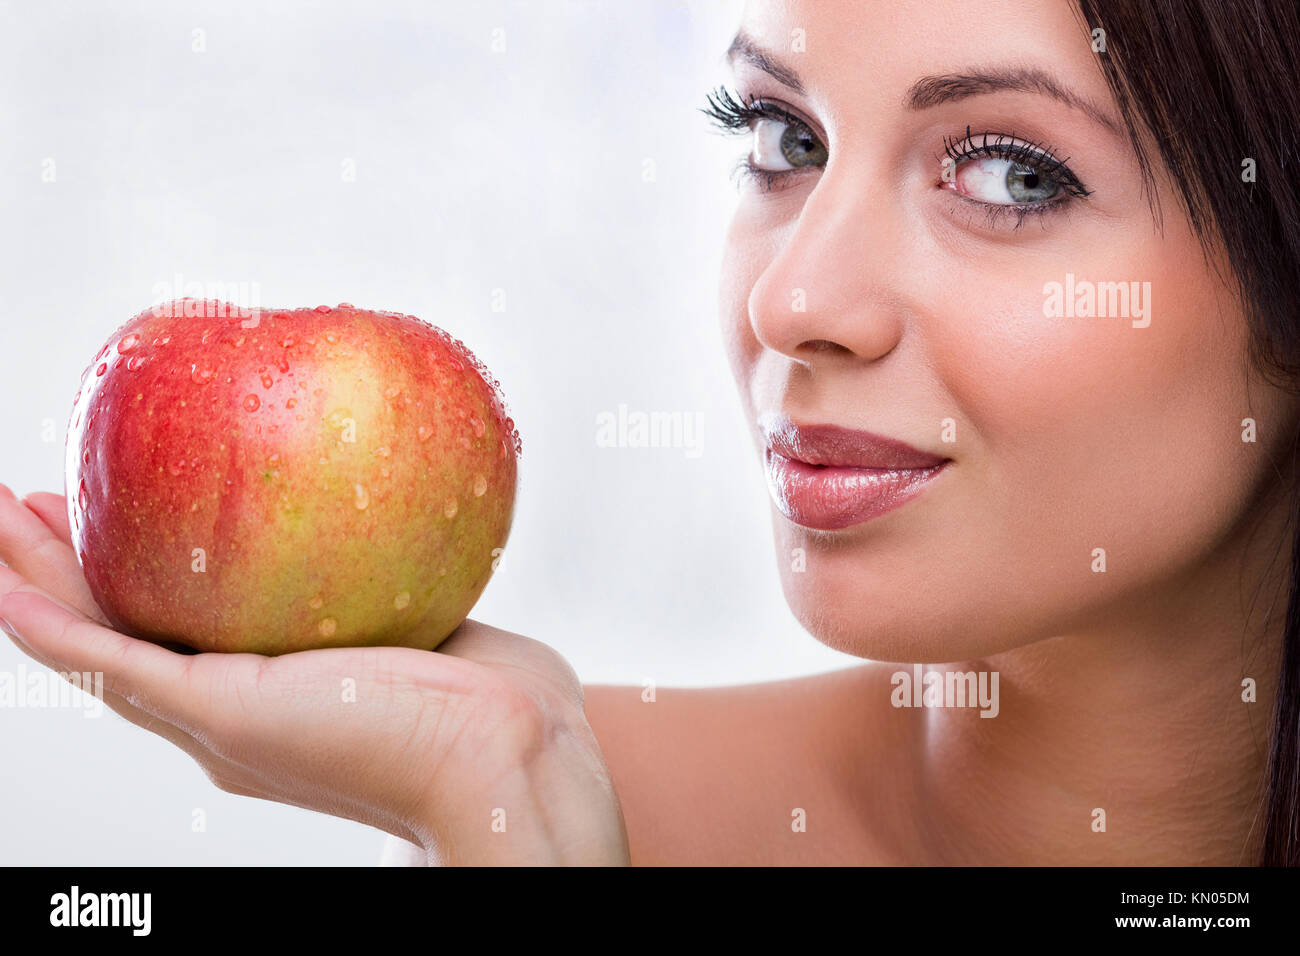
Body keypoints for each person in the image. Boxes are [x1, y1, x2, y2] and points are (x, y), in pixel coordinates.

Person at [3, 0, 1299, 865]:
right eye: (785, 138)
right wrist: (513, 820)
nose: (791, 299)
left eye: (1015, 173)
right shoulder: (587, 800)